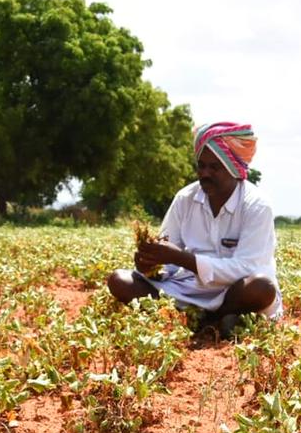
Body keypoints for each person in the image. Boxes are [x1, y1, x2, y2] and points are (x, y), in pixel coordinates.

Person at [106, 122, 281, 335]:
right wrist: (149, 265)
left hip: (233, 291)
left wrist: (183, 259)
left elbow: (247, 268)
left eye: (214, 167)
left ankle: (206, 318)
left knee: (262, 287)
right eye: (201, 165)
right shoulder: (185, 199)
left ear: (234, 169)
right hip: (188, 288)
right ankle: (215, 320)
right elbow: (166, 258)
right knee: (120, 280)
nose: (205, 173)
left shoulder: (256, 206)